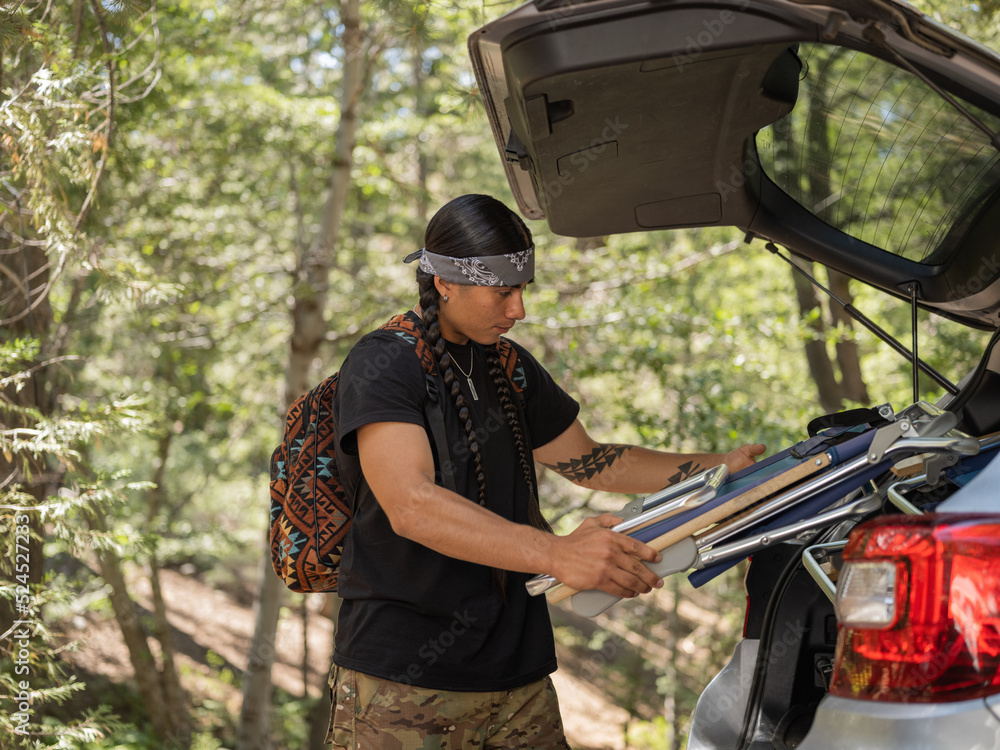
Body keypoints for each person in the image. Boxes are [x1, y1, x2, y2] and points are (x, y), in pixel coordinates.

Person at [327, 194, 765, 750]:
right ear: (445, 283)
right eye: (502, 292)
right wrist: (558, 554)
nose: (518, 311)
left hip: (519, 676)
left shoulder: (509, 366)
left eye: (522, 291)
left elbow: (596, 463)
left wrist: (717, 468)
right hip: (401, 681)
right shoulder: (386, 362)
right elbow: (411, 505)